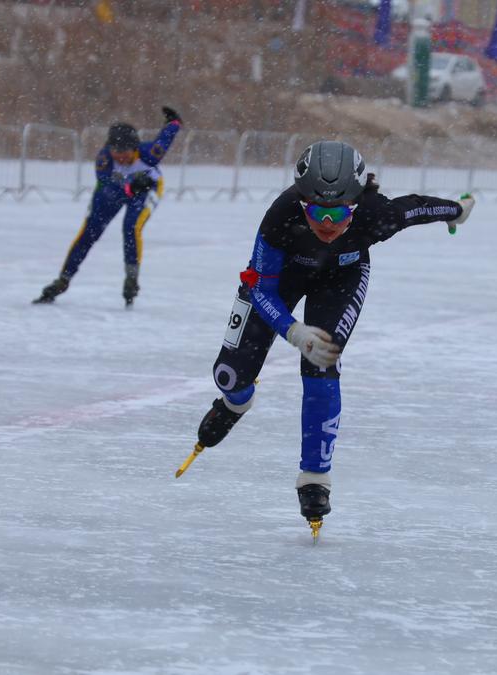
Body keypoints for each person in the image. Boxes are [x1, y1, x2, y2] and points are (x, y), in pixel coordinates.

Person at [182, 140, 474, 537]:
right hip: (281, 279)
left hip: (341, 280)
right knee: (229, 376)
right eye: (317, 211)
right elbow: (261, 291)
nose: (328, 223)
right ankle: (236, 403)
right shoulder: (280, 215)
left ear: (356, 204)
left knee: (320, 363)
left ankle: (314, 477)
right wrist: (292, 329)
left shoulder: (376, 214)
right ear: (303, 203)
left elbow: (418, 207)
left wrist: (457, 210)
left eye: (340, 213)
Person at [33, 106, 183, 307]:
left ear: (135, 148)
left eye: (125, 152)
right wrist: (130, 185)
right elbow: (109, 187)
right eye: (115, 151)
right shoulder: (104, 160)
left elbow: (165, 139)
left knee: (131, 227)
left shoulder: (149, 153)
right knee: (89, 232)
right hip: (112, 192)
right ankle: (63, 280)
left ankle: (131, 279)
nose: (120, 156)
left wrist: (173, 122)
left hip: (147, 190)